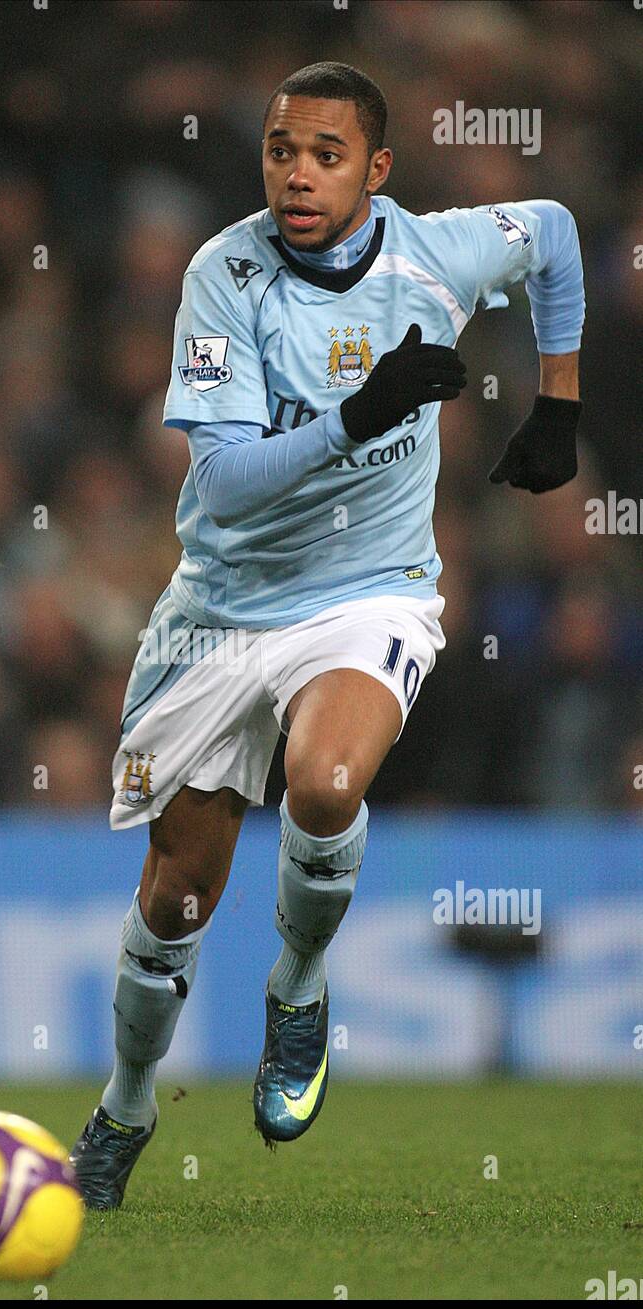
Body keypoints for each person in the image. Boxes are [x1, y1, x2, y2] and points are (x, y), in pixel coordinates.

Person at [69, 61, 585, 1208]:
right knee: (175, 897)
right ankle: (128, 1101)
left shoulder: (435, 255)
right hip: (221, 608)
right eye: (280, 152)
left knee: (327, 779)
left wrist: (561, 403)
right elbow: (229, 484)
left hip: (369, 591)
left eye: (325, 155)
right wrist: (366, 411)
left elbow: (552, 232)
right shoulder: (224, 274)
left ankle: (297, 990)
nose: (297, 176)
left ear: (377, 169)